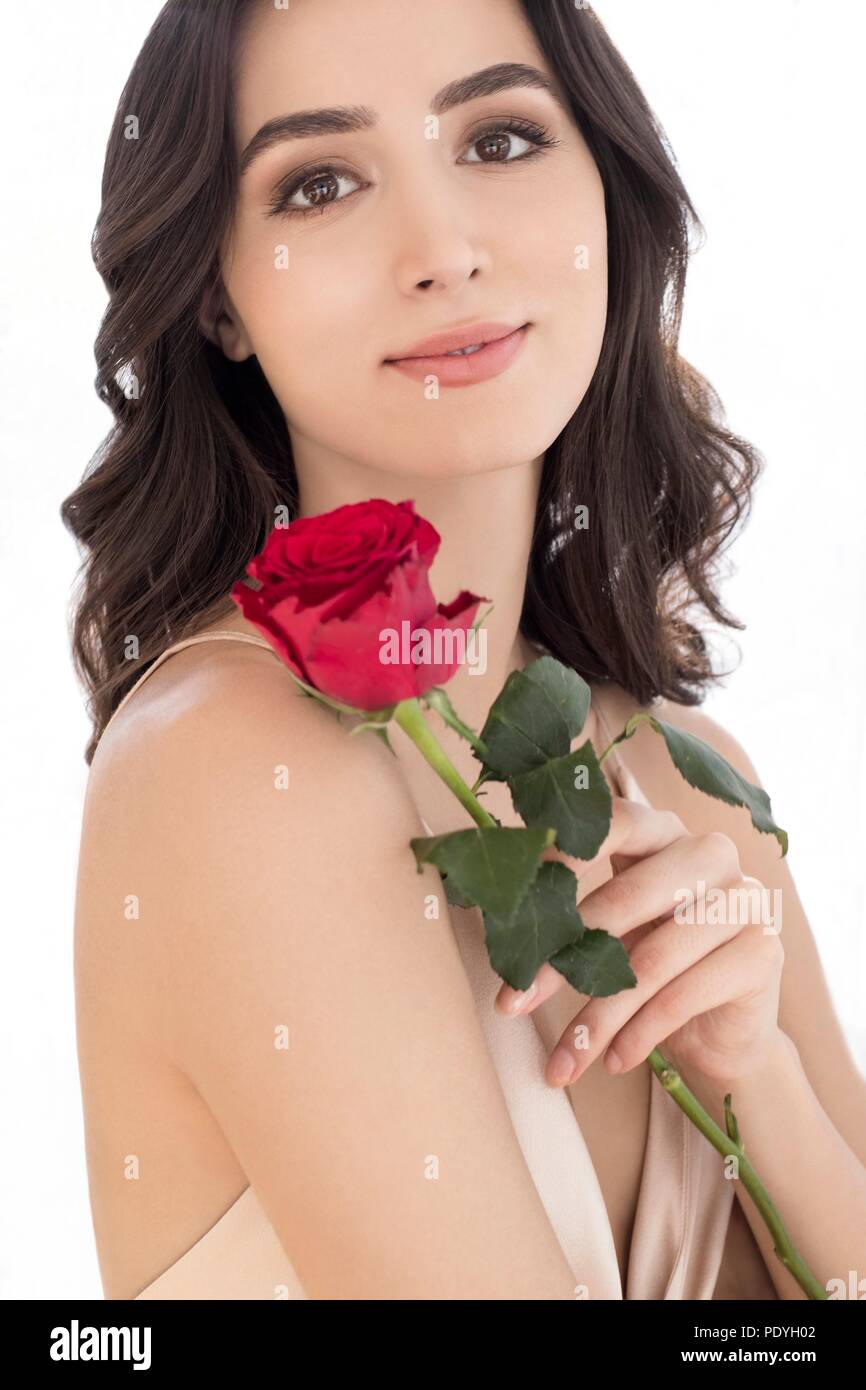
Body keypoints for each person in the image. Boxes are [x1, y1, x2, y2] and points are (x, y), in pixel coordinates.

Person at [63, 0, 866, 1300]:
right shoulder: (230, 768)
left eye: (499, 139)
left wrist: (758, 1073)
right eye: (319, 182)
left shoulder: (681, 774)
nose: (442, 251)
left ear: (604, 187)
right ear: (216, 296)